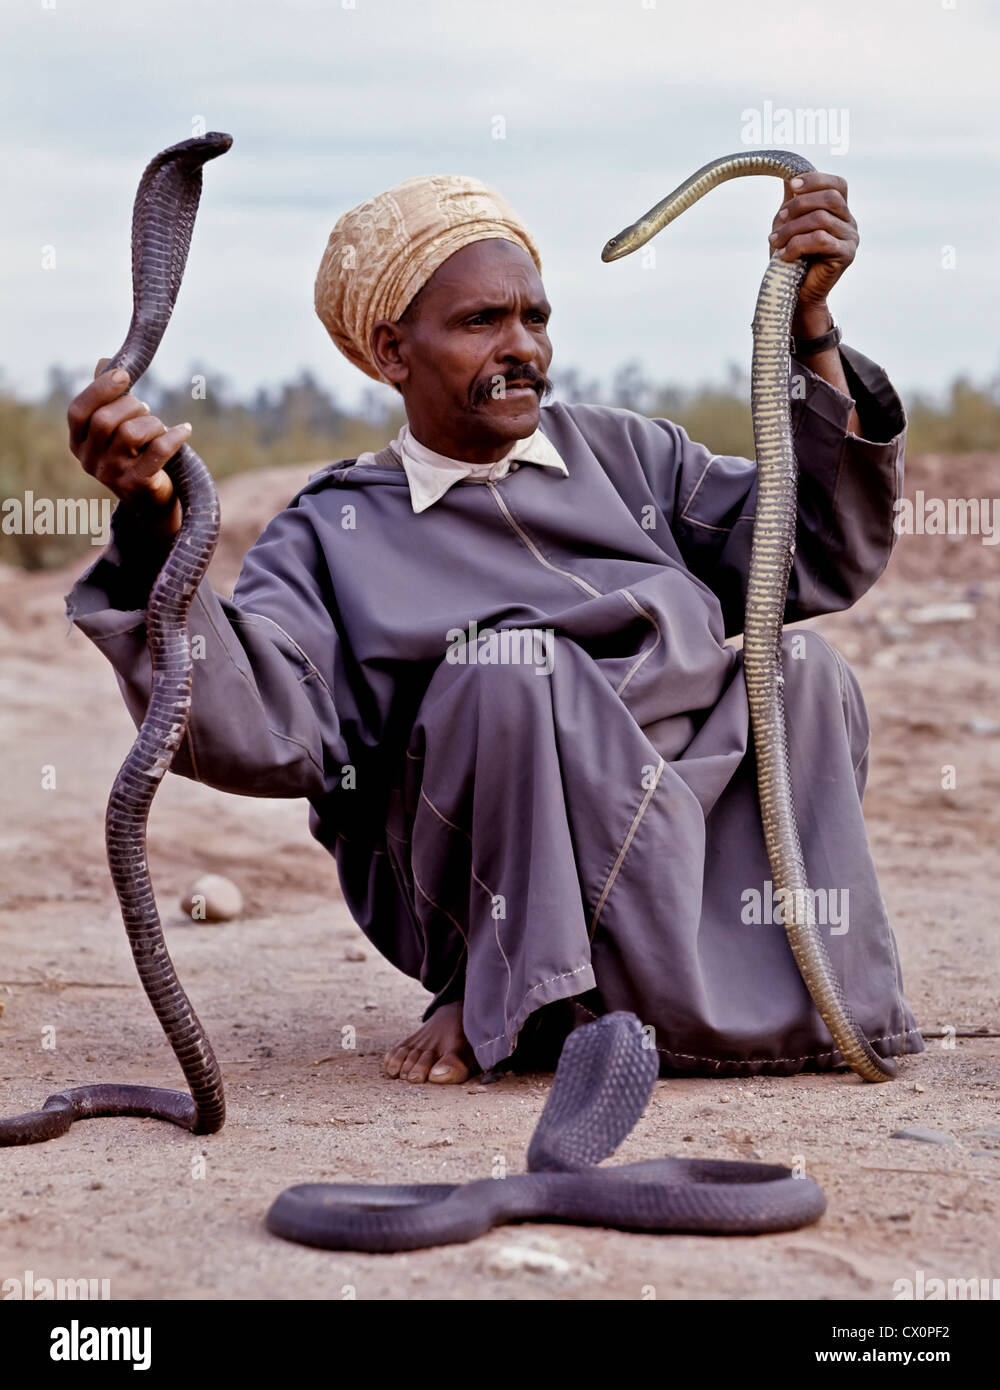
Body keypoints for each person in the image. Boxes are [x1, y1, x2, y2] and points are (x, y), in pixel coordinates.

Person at [65, 169, 923, 1086]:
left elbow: (814, 555)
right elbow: (258, 723)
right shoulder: (332, 528)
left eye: (536, 319)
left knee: (801, 663)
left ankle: (813, 991)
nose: (523, 349)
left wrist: (812, 330)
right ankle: (508, 991)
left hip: (691, 841)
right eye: (481, 323)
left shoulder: (631, 454)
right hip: (492, 884)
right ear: (394, 352)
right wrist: (157, 526)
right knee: (513, 667)